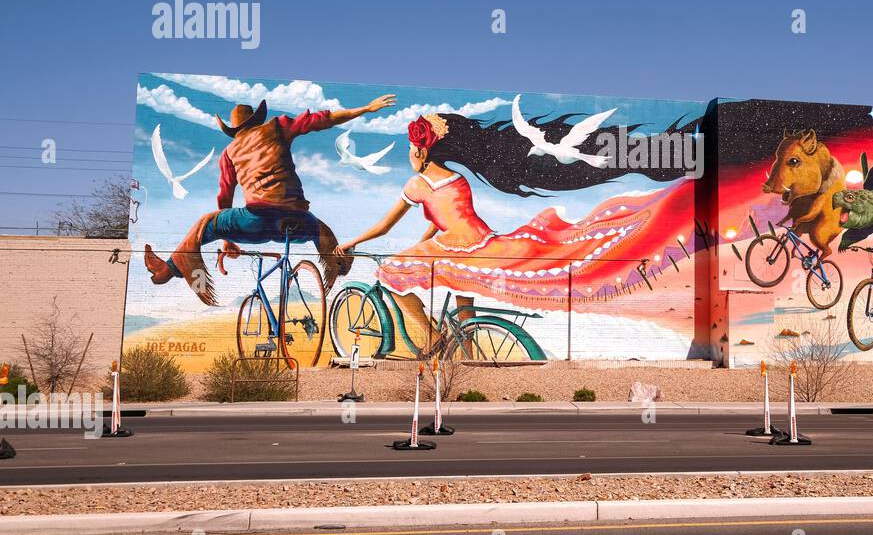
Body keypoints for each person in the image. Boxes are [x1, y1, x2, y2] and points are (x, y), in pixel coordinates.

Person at [338, 112, 695, 356]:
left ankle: (432, 342)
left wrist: (350, 242)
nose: (410, 157)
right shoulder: (457, 179)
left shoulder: (416, 184)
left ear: (420, 150)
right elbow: (448, 216)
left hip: (454, 243)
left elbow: (386, 226)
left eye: (410, 151)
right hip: (483, 240)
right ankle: (468, 356)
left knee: (389, 275)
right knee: (463, 295)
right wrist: (423, 245)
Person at [143, 94, 396, 305]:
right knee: (323, 231)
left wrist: (228, 240)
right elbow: (320, 120)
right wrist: (365, 108)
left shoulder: (229, 153)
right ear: (256, 119)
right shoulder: (277, 127)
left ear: (234, 130)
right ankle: (338, 265)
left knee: (204, 223)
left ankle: (169, 269)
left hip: (257, 221)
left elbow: (224, 196)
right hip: (298, 221)